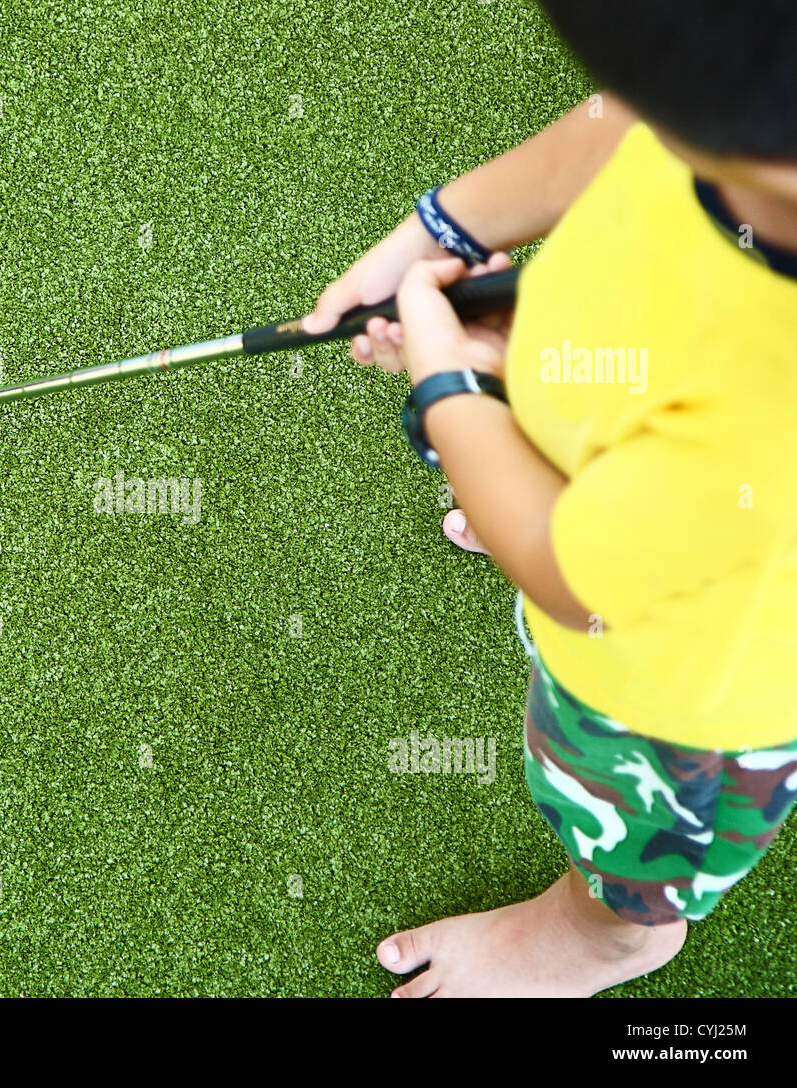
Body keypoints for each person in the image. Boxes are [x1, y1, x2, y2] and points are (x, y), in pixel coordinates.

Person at [302, 1, 797, 996]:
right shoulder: (746, 114)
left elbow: (567, 570)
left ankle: (606, 936)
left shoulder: (768, 411)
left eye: (686, 139)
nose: (643, 132)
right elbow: (616, 128)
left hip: (681, 685)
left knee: (630, 824)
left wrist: (452, 391)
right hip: (640, 490)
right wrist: (438, 229)